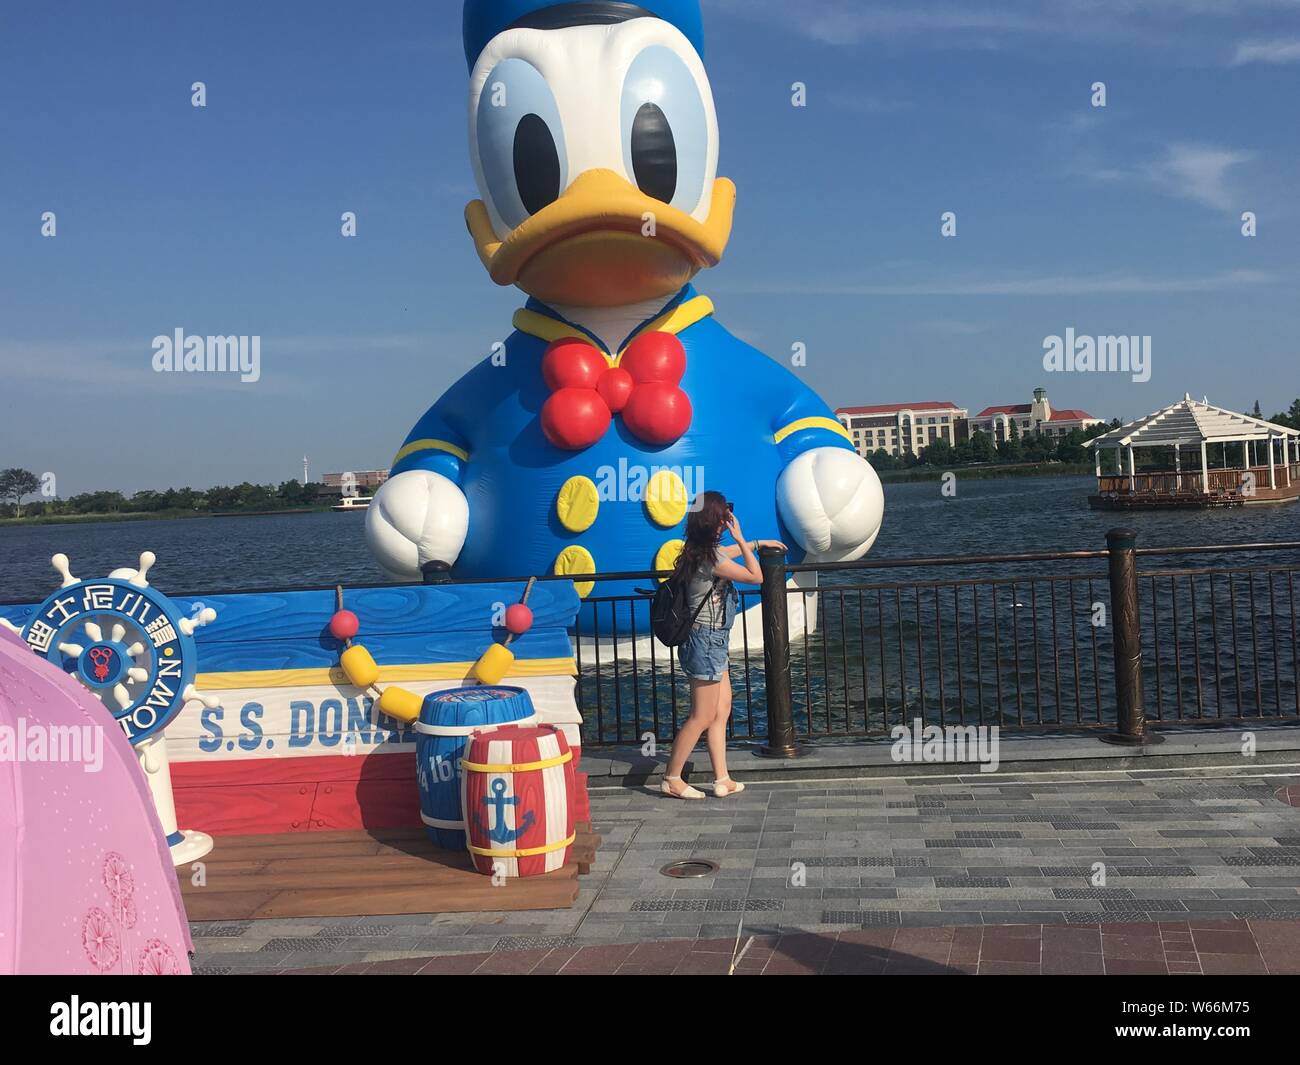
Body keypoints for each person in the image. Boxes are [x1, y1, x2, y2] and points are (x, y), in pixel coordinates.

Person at [662, 491, 785, 799]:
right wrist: (743, 537)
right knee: (702, 715)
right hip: (704, 641)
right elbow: (756, 576)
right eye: (722, 516)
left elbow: (724, 553)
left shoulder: (699, 550)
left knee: (721, 709)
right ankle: (672, 777)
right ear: (713, 521)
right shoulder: (710, 557)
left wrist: (757, 544)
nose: (726, 520)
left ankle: (722, 778)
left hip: (713, 641)